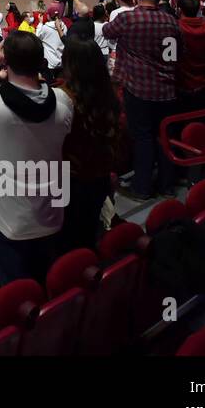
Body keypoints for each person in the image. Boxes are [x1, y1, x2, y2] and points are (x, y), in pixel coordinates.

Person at [0, 32, 73, 285]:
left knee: (16, 290)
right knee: (47, 280)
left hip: (5, 216)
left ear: (5, 61)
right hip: (51, 210)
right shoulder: (64, 101)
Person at [102, 0, 180, 200]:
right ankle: (167, 186)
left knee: (143, 137)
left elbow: (107, 32)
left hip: (139, 89)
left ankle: (142, 188)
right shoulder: (171, 21)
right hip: (167, 90)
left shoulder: (128, 18)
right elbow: (174, 56)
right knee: (164, 137)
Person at [57, 40, 122, 252]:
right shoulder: (109, 94)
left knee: (69, 240)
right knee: (87, 234)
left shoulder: (65, 99)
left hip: (72, 180)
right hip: (99, 175)